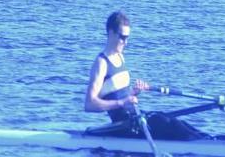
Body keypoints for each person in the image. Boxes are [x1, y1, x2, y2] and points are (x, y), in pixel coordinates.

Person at [84, 11, 206, 140]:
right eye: (123, 37)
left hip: (135, 117)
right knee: (165, 123)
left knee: (174, 122)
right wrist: (122, 102)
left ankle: (208, 140)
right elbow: (89, 104)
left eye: (128, 37)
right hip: (123, 125)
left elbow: (119, 94)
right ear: (110, 33)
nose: (126, 42)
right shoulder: (101, 63)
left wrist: (134, 92)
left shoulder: (120, 56)